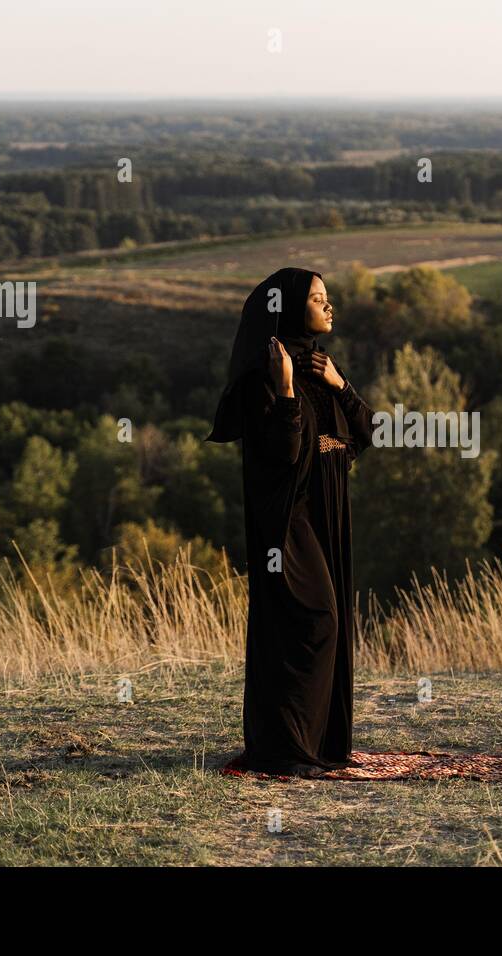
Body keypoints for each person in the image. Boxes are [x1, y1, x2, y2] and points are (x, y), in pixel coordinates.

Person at [207, 267, 375, 777]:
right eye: (318, 299)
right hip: (289, 519)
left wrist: (340, 384)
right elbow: (283, 455)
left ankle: (318, 744)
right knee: (313, 619)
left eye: (327, 298)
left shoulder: (321, 367)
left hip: (328, 514)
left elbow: (368, 433)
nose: (329, 307)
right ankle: (286, 749)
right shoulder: (265, 376)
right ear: (289, 308)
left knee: (326, 622)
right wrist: (284, 393)